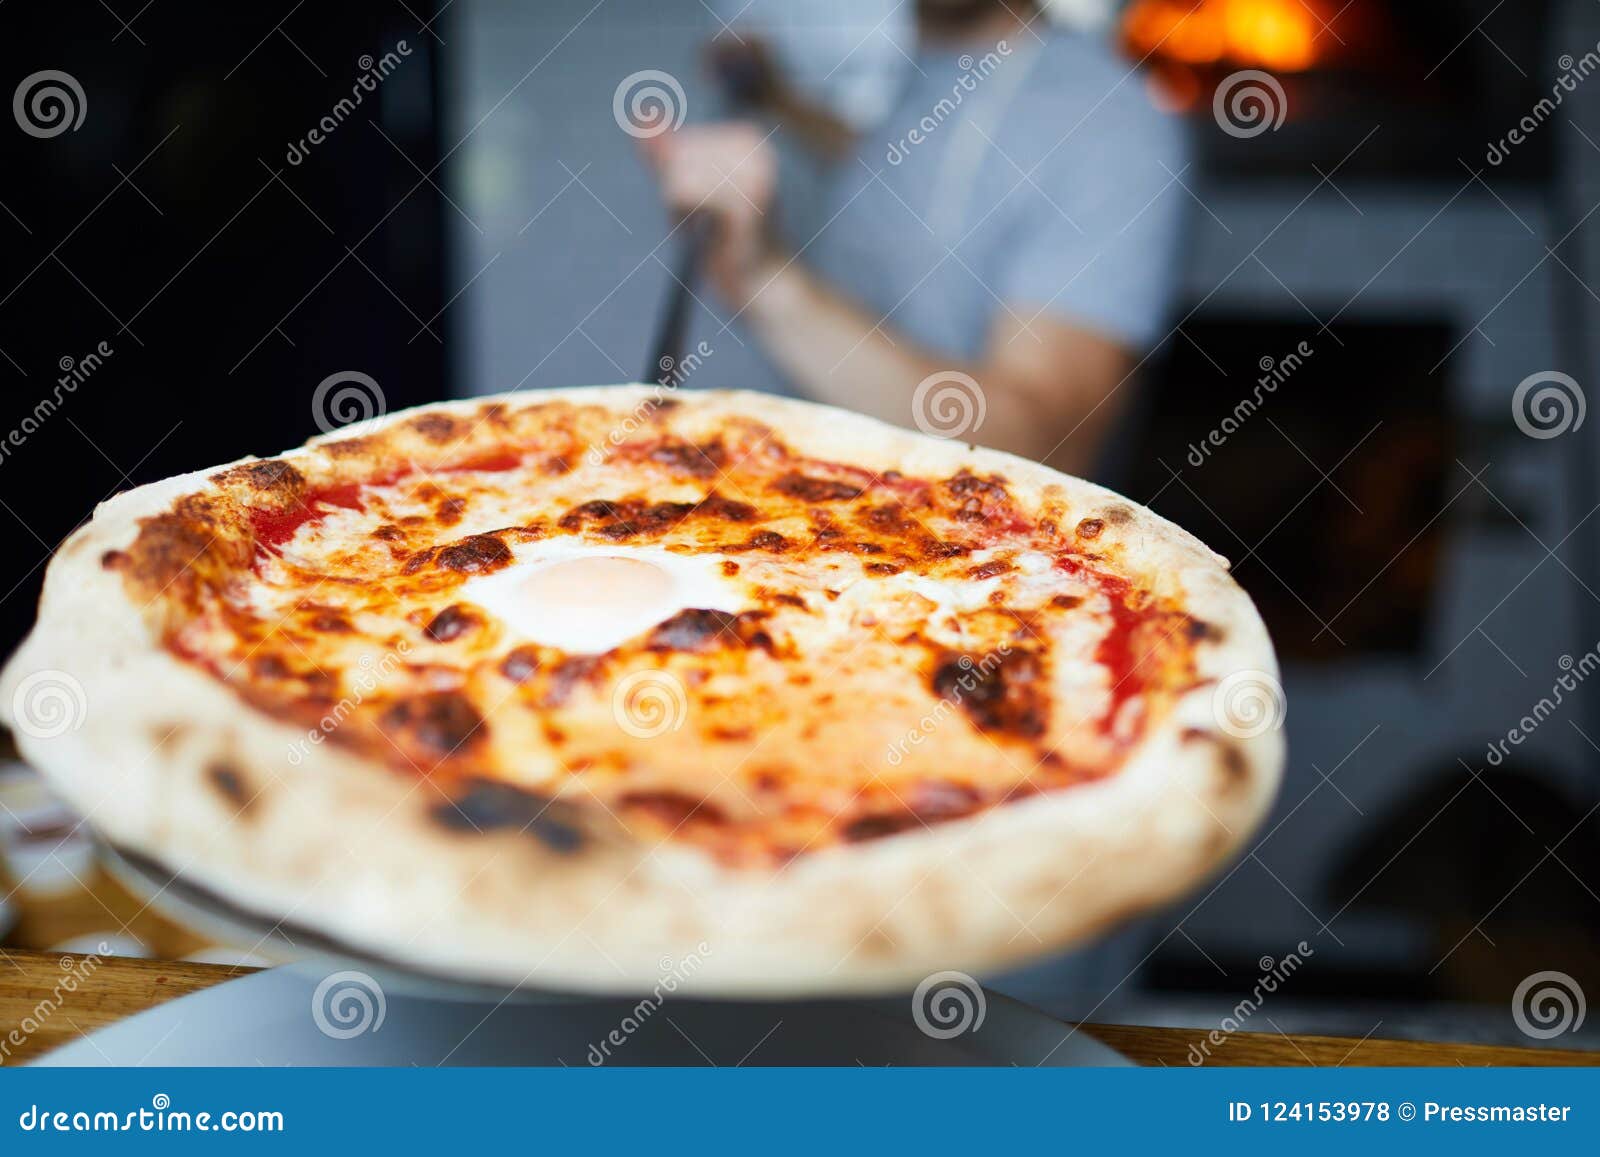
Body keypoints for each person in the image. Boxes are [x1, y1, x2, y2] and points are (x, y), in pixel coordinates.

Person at [643, 0, 1189, 476]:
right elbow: (897, 173)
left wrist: (762, 278)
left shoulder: (1112, 122)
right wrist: (776, 98)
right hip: (824, 500)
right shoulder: (922, 73)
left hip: (965, 563)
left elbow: (1041, 450)